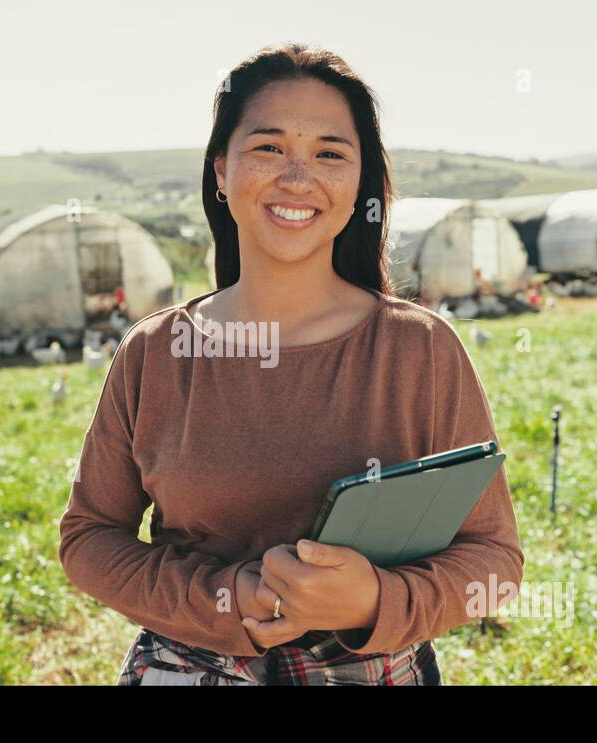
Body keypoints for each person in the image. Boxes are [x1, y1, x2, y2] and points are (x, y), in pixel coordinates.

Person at [58, 42, 523, 685]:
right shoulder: (156, 353)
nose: (298, 180)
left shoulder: (420, 351)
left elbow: (494, 561)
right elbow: (89, 540)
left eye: (330, 154)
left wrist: (372, 600)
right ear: (221, 171)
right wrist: (227, 596)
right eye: (269, 147)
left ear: (360, 182)